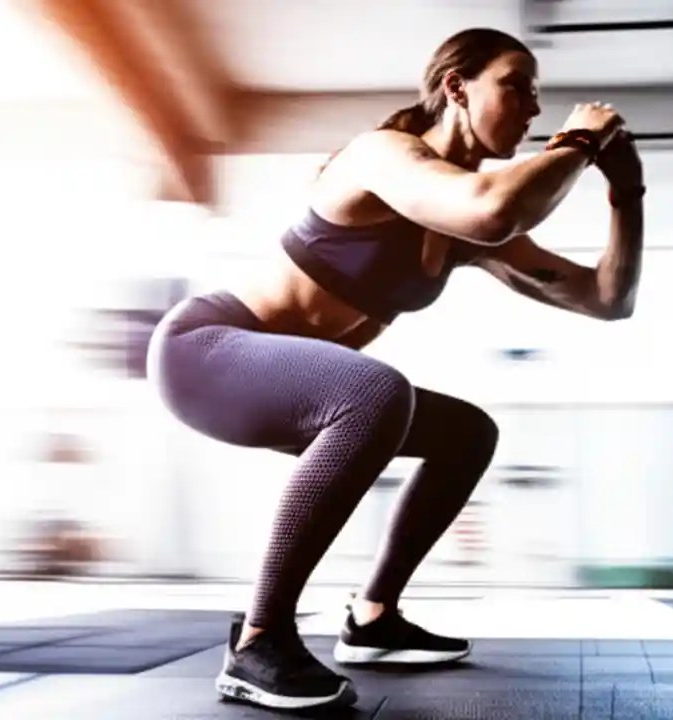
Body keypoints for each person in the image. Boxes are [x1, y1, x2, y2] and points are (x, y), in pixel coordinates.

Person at [146, 27, 645, 711]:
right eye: (516, 86)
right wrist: (580, 141)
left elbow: (607, 299)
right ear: (455, 87)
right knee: (378, 391)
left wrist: (628, 195)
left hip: (295, 383)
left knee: (466, 432)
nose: (532, 108)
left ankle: (374, 618)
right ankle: (258, 641)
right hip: (204, 350)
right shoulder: (381, 156)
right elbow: (495, 207)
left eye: (538, 96)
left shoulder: (465, 232)